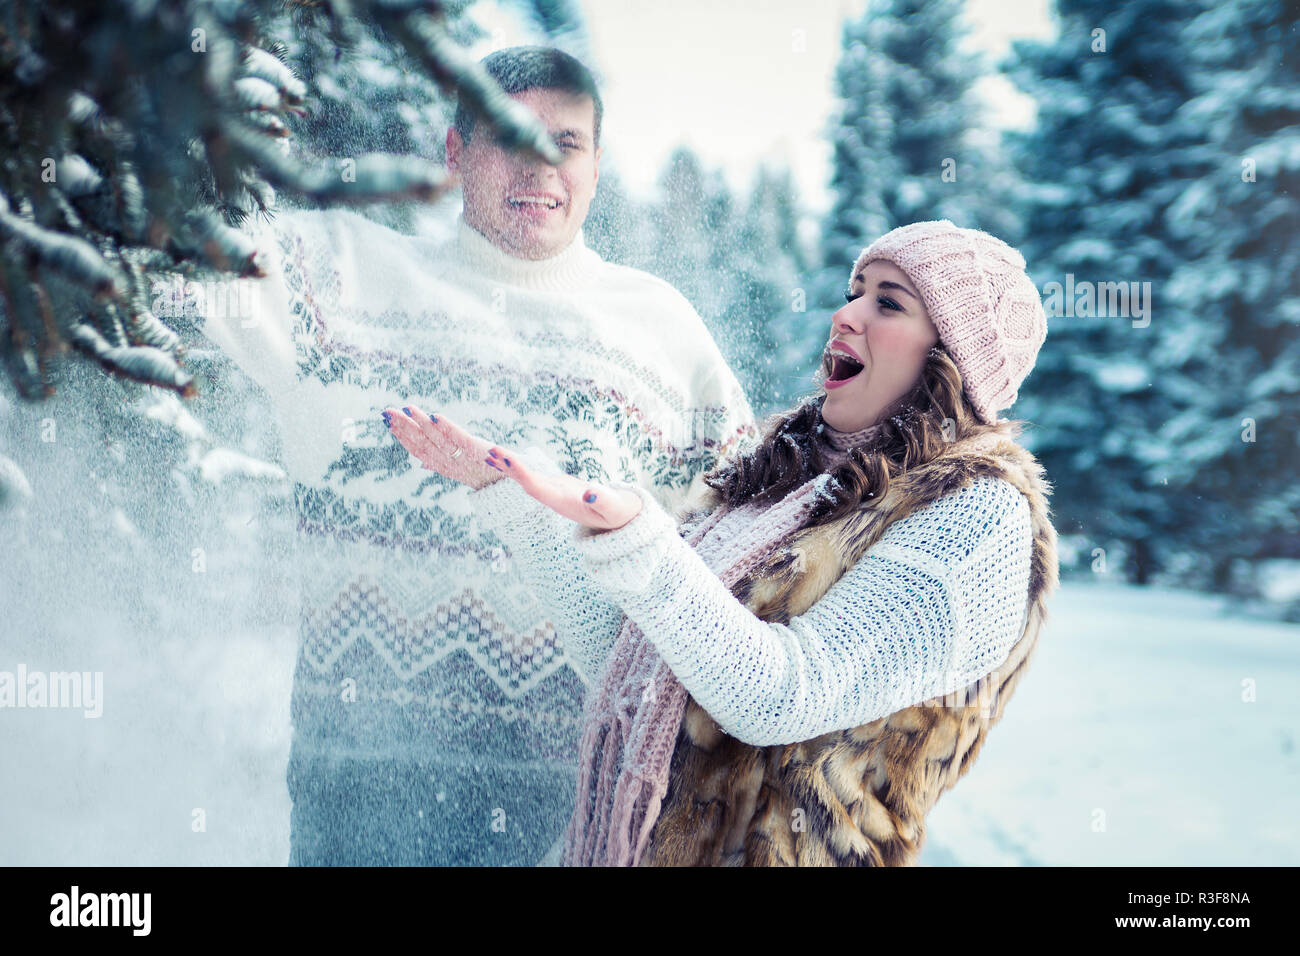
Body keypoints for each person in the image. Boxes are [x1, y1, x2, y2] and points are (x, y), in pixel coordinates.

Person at [198, 45, 758, 865]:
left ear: (596, 164)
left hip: (577, 825)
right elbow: (164, 242)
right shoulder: (342, 281)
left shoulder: (662, 337)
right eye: (508, 137)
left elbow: (750, 569)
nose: (541, 164)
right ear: (456, 153)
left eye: (567, 142)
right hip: (354, 820)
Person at [384, 219, 1060, 866]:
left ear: (951, 358)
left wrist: (641, 542)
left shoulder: (977, 517)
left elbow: (784, 696)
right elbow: (635, 669)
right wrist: (516, 504)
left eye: (889, 303)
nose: (846, 315)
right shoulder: (785, 479)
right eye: (854, 293)